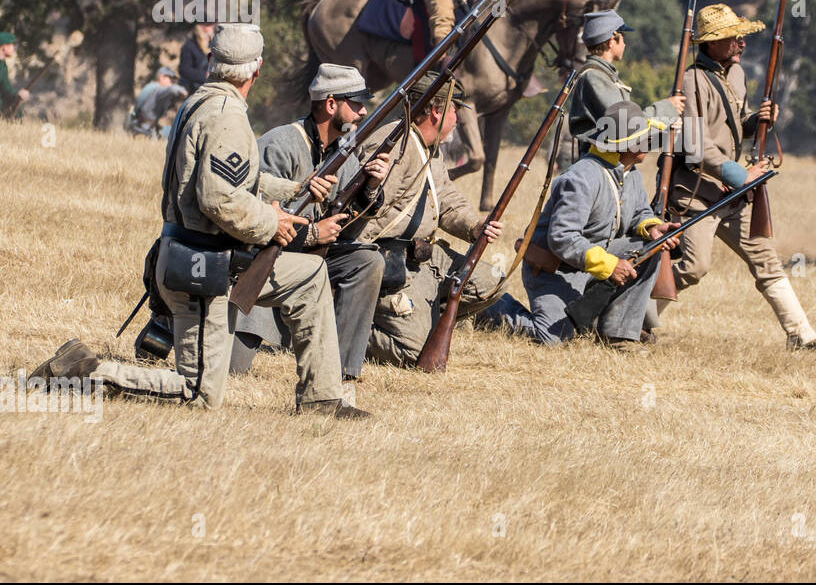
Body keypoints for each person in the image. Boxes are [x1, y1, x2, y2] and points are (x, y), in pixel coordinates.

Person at [31, 24, 369, 419]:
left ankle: (321, 398)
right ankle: (82, 371)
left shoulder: (201, 103)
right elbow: (219, 198)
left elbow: (240, 176)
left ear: (213, 62)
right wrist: (270, 222)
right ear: (256, 70)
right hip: (202, 265)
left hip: (207, 256)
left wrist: (295, 186)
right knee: (198, 395)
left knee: (310, 275)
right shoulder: (226, 118)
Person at [666, 3, 816, 352]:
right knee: (693, 268)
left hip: (731, 191)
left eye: (739, 37)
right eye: (732, 38)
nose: (740, 43)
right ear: (711, 43)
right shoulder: (690, 81)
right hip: (696, 191)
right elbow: (696, 147)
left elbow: (736, 126)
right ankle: (632, 318)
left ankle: (802, 336)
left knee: (765, 260)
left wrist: (760, 120)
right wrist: (741, 174)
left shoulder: (736, 75)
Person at [232, 65, 390, 400]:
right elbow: (258, 223)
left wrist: (372, 187)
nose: (363, 111)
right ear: (331, 104)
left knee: (366, 261)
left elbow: (354, 221)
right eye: (356, 103)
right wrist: (312, 235)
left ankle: (342, 370)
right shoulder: (280, 144)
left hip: (313, 263)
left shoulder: (343, 153)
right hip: (265, 267)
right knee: (233, 370)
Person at [477, 100, 679, 347]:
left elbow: (639, 211)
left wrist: (651, 227)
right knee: (552, 339)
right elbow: (563, 238)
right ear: (623, 143)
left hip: (590, 264)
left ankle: (618, 334)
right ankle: (484, 305)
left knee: (650, 248)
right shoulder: (582, 177)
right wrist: (610, 265)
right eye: (641, 137)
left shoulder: (629, 173)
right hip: (556, 270)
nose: (648, 141)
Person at [355, 71, 503, 368]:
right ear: (436, 111)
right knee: (415, 354)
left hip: (424, 256)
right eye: (454, 110)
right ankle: (342, 323)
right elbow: (364, 214)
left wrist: (475, 226)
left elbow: (445, 199)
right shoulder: (393, 145)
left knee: (490, 282)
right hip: (389, 261)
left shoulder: (428, 147)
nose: (458, 119)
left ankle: (419, 315)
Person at [567, 8, 685, 148]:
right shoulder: (595, 77)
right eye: (622, 37)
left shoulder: (603, 75)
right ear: (611, 41)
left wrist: (666, 132)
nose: (624, 44)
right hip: (600, 162)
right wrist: (666, 107)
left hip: (612, 158)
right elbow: (627, 122)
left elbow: (628, 136)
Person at [126, 66, 188, 138]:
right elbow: (172, 89)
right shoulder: (157, 89)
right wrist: (183, 91)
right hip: (144, 129)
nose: (171, 82)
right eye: (169, 78)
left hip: (145, 127)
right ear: (161, 77)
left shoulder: (151, 87)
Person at [178, 22, 214, 94]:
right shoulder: (189, 46)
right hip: (196, 90)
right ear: (200, 26)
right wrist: (205, 75)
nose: (211, 27)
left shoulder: (214, 44)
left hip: (213, 87)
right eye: (208, 24)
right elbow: (184, 70)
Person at [0, 31, 29, 115]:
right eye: (13, 45)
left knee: (17, 107)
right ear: (4, 47)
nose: (14, 48)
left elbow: (6, 89)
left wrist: (17, 95)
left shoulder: (2, 65)